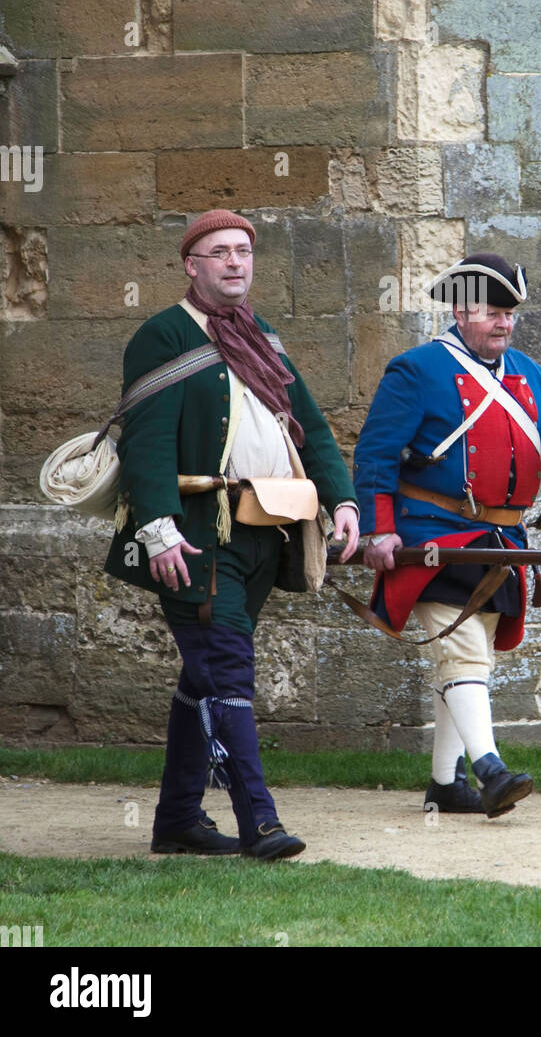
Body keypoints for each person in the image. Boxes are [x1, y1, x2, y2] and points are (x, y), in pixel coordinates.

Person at [104, 210, 359, 860]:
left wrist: (344, 501)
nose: (235, 262)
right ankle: (261, 824)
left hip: (262, 533)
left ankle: (178, 821)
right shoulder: (162, 335)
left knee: (206, 677)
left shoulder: (260, 332)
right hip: (195, 536)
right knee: (228, 675)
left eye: (243, 251)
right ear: (193, 266)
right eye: (219, 252)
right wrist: (156, 528)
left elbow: (311, 426)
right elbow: (148, 440)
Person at [353, 253, 541, 819]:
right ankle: (489, 770)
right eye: (492, 312)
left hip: (500, 542)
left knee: (466, 658)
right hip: (434, 536)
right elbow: (374, 454)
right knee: (463, 651)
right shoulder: (417, 370)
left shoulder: (530, 374)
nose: (503, 324)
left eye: (509, 314)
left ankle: (444, 784)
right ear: (462, 311)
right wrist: (379, 529)